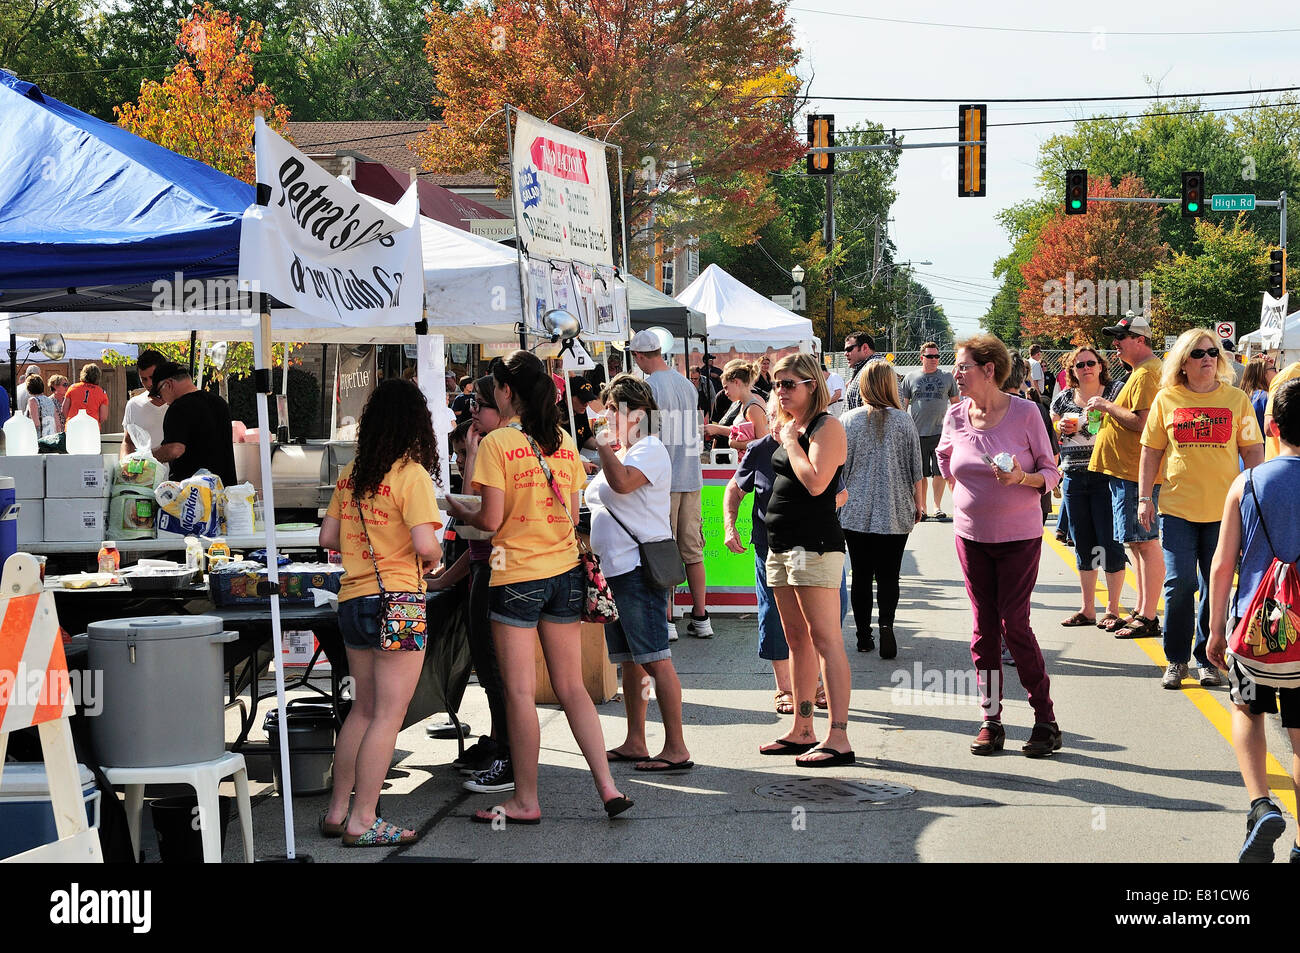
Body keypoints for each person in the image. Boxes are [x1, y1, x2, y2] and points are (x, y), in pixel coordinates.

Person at [455, 350, 632, 824]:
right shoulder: (566, 445)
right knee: (572, 686)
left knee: (518, 691)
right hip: (564, 572)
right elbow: (573, 516)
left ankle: (525, 800)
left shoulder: (496, 444)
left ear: (507, 391)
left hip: (515, 573)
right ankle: (608, 787)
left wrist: (458, 510)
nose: (489, 394)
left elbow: (490, 520)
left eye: (493, 387)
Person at [318, 379, 444, 846]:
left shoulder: (352, 473)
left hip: (353, 599)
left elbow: (328, 538)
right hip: (399, 600)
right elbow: (426, 545)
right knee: (389, 715)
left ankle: (337, 812)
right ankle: (364, 820)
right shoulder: (411, 475)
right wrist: (429, 560)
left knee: (362, 709)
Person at [937, 334, 1063, 758]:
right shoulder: (955, 415)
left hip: (1019, 538)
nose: (956, 373)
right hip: (970, 537)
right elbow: (943, 458)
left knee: (1014, 624)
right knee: (983, 631)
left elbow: (1051, 470)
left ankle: (1044, 718)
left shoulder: (1026, 413)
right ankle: (990, 720)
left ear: (989, 370)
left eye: (963, 366)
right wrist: (964, 495)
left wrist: (1020, 481)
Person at [1138, 328, 1264, 690]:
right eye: (1197, 353)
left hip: (1225, 511)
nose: (1207, 358)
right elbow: (1151, 451)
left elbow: (1252, 450)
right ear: (1183, 362)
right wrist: (1144, 498)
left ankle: (1207, 658)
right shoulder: (1167, 399)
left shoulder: (1236, 400)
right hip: (1177, 507)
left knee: (1215, 586)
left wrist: (1253, 495)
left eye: (1212, 352)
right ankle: (1176, 659)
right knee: (1180, 584)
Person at [1208, 377, 1300, 864]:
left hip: (1255, 634)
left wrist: (1216, 628)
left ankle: (1262, 804)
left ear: (1272, 426)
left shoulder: (1246, 483)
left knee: (1247, 710)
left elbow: (1223, 564)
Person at [587, 374, 691, 772]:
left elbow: (623, 484)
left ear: (639, 414)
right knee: (631, 660)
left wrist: (601, 448)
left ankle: (676, 747)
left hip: (635, 568)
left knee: (655, 658)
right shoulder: (628, 450)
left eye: (616, 408)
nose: (609, 415)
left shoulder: (648, 449)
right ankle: (636, 740)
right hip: (616, 568)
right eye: (608, 408)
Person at [759, 353, 853, 767]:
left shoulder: (825, 426)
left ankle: (839, 737)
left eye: (789, 384)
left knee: (825, 639)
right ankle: (802, 729)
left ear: (812, 385)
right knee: (796, 639)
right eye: (776, 383)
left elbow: (816, 483)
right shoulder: (790, 427)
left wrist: (791, 443)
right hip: (779, 544)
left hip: (813, 545)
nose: (780, 391)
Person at [441, 376, 515, 792]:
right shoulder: (495, 443)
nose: (473, 411)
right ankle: (502, 744)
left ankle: (508, 752)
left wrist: (473, 454)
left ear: (503, 402)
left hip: (499, 569)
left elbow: (479, 515)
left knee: (496, 668)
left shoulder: (501, 445)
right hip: (488, 565)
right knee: (491, 668)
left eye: (480, 404)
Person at [1086, 312, 1166, 641]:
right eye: (1114, 338)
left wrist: (1106, 406)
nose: (1115, 344)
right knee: (1136, 543)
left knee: (1145, 543)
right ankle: (1142, 608)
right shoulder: (1140, 372)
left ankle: (1149, 615)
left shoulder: (1147, 373)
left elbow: (1143, 423)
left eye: (1121, 338)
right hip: (1128, 472)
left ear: (1140, 340)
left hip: (1137, 473)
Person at [630, 329, 712, 639]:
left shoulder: (648, 387)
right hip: (690, 475)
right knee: (693, 550)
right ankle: (701, 616)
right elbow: (696, 430)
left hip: (661, 480)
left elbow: (647, 437)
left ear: (640, 357)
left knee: (663, 550)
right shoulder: (686, 384)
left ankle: (667, 619)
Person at [840, 361, 924, 658]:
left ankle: (864, 636)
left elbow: (839, 469)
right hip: (895, 506)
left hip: (854, 510)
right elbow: (917, 469)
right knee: (890, 574)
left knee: (860, 574)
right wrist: (920, 504)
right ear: (891, 386)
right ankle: (886, 624)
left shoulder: (847, 421)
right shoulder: (904, 422)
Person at [1051, 345, 1126, 629]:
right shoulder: (1063, 400)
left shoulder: (1114, 391)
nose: (1086, 368)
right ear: (1072, 371)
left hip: (1106, 474)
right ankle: (1087, 608)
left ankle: (1113, 608)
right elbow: (1057, 431)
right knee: (1083, 543)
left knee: (1110, 542)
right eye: (1079, 365)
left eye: (1090, 363)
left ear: (1100, 365)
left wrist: (1104, 414)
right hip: (1073, 476)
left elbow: (1126, 420)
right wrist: (1061, 429)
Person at [149, 361, 237, 487]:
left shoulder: (178, 407)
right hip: (224, 489)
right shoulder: (219, 402)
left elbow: (175, 449)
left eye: (159, 393)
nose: (163, 400)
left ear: (168, 384)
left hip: (194, 496)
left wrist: (148, 456)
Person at [900, 340, 960, 520]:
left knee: (939, 472)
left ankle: (937, 506)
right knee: (921, 473)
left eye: (936, 356)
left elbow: (956, 404)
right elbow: (903, 407)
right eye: (930, 356)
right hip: (917, 433)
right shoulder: (910, 378)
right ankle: (923, 507)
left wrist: (957, 430)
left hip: (941, 433)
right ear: (922, 357)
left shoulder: (947, 377)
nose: (934, 359)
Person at [702, 359, 769, 456]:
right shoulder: (744, 405)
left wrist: (734, 443)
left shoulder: (752, 408)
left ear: (736, 382)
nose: (725, 393)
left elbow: (763, 442)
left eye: (726, 387)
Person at [122, 350, 169, 456]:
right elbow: (128, 442)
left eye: (152, 377)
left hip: (176, 472)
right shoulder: (133, 404)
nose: (149, 384)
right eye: (144, 379)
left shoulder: (181, 403)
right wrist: (125, 465)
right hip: (143, 471)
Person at [843, 332, 882, 411]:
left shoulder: (874, 368)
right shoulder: (865, 368)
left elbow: (876, 412)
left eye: (849, 349)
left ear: (864, 348)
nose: (845, 354)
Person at [63, 363, 109, 428]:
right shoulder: (102, 393)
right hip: (92, 427)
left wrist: (71, 419)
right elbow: (103, 417)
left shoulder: (73, 388)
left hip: (73, 426)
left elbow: (64, 409)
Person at [1242, 355, 1276, 433]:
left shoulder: (1243, 396)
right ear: (1262, 373)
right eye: (1274, 369)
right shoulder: (1266, 397)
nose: (1277, 372)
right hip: (1263, 444)